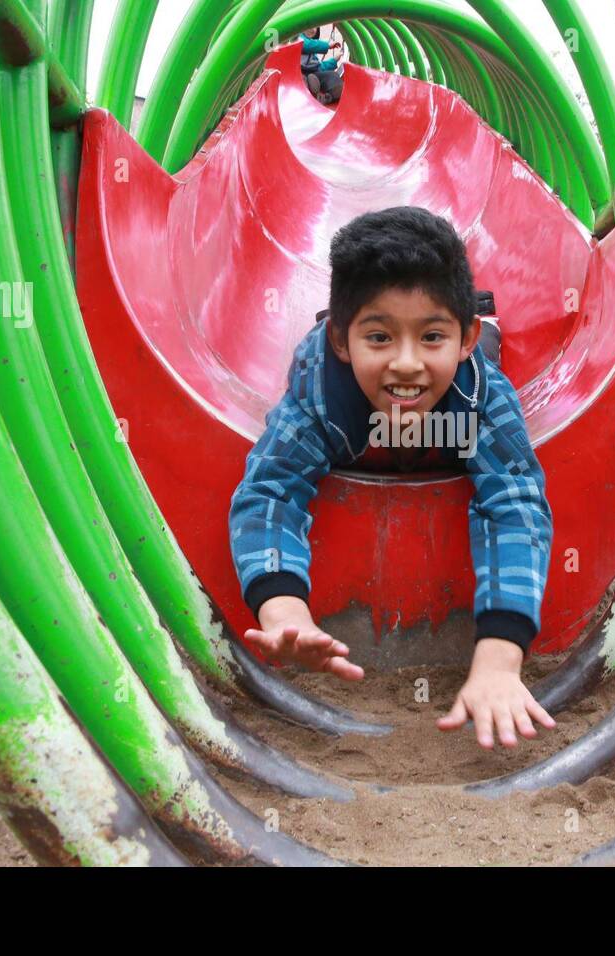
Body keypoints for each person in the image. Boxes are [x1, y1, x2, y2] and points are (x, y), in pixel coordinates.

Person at [229, 207, 556, 749]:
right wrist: (286, 611)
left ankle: (448, 326)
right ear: (341, 341)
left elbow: (516, 504)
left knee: (471, 384)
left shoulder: (480, 395)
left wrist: (501, 655)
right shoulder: (321, 397)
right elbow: (271, 492)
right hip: (351, 392)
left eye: (432, 336)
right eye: (379, 337)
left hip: (456, 401)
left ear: (463, 338)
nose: (406, 363)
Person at [298, 27, 343, 104]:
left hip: (314, 73)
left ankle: (327, 97)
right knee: (303, 79)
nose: (313, 29)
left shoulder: (313, 50)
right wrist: (327, 46)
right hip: (298, 74)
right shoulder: (296, 39)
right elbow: (305, 45)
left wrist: (334, 60)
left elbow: (319, 67)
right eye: (308, 26)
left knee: (333, 75)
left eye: (316, 27)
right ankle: (311, 91)